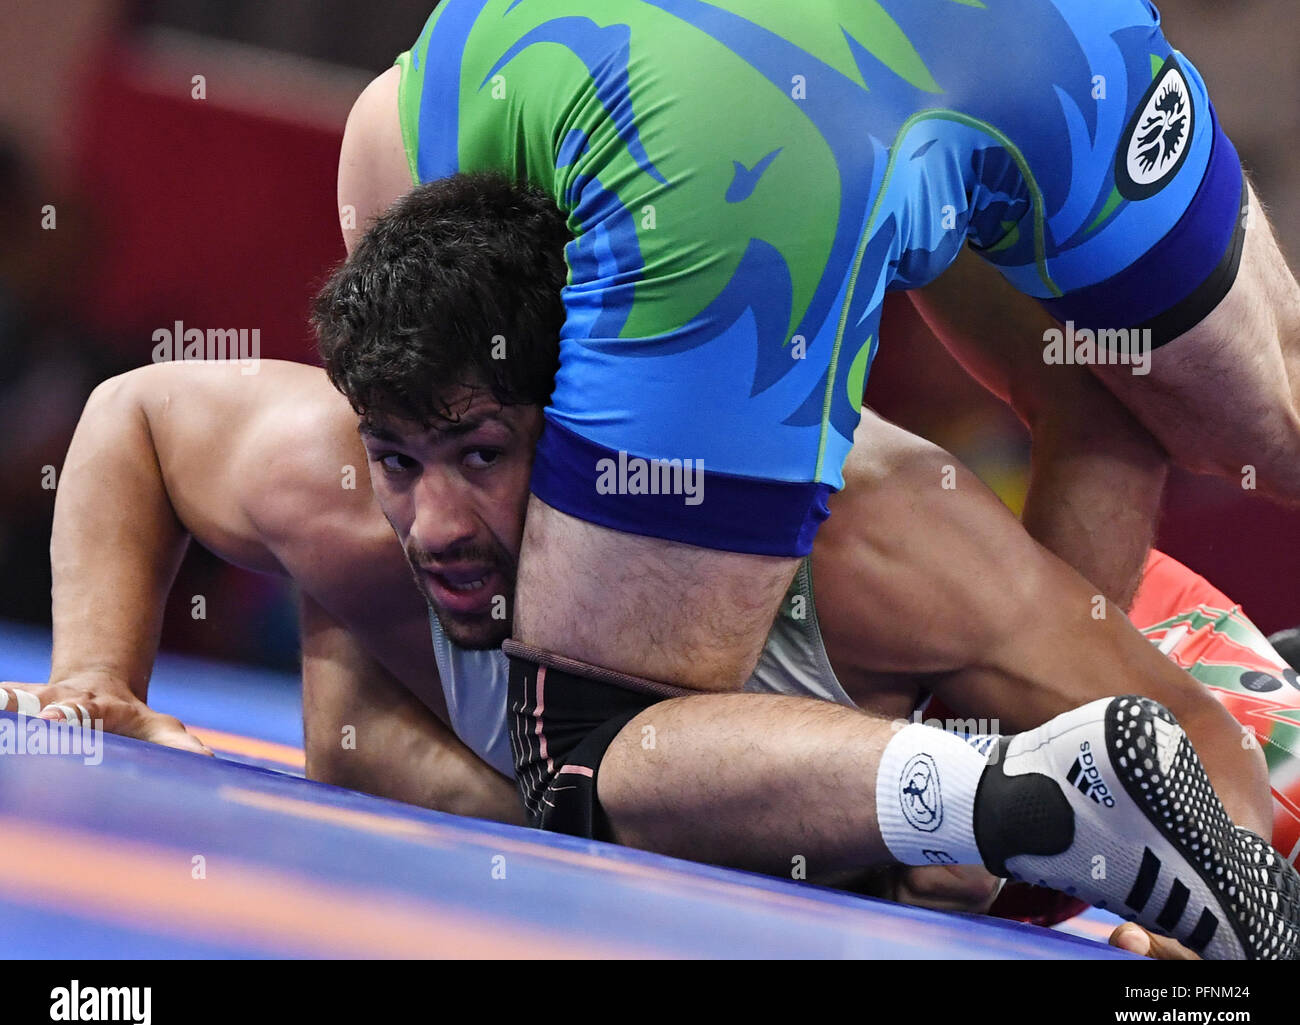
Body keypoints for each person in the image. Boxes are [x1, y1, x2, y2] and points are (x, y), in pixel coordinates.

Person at [17, 175, 1297, 957]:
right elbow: (135, 415)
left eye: (479, 454)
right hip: (858, 789)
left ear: (588, 423)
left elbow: (1195, 737)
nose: (437, 521)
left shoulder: (869, 526)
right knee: (384, 741)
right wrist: (97, 675)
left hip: (1173, 686)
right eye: (400, 460)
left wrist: (1215, 890)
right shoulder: (340, 483)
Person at [335, 1, 1300, 958]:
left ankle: (1021, 786)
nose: (439, 523)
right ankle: (1040, 775)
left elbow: (367, 716)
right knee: (1273, 401)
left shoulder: (399, 156)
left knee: (587, 754)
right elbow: (1088, 393)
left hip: (708, 119)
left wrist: (998, 802)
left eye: (475, 456)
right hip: (1050, 35)